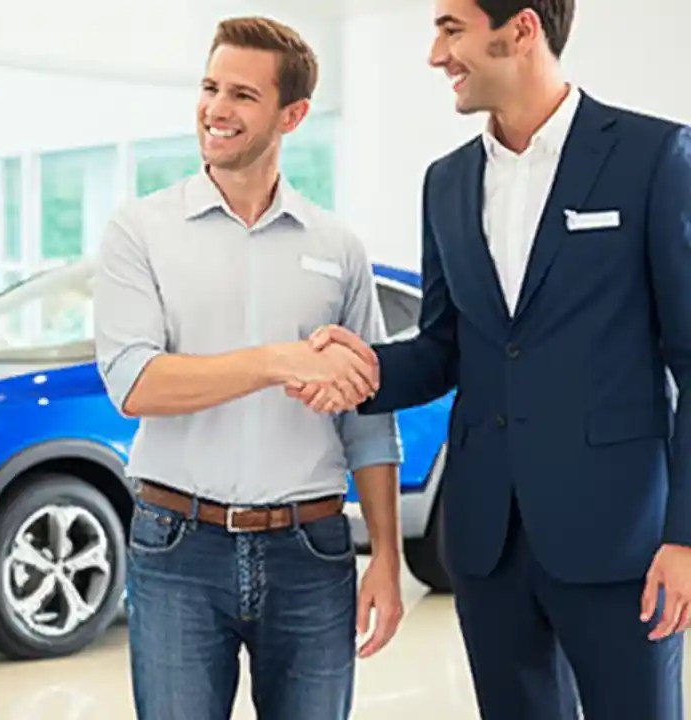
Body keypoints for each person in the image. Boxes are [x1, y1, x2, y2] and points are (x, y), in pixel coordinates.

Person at [291, 0, 691, 717]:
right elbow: (446, 347)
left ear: (522, 29)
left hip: (621, 540)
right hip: (487, 544)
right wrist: (363, 370)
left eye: (452, 30)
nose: (435, 54)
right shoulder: (446, 181)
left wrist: (685, 539)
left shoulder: (653, 157)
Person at [93, 16, 403, 720]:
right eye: (210, 88)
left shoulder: (338, 247)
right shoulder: (141, 231)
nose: (216, 109)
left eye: (242, 95)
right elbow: (136, 383)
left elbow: (368, 418)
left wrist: (387, 555)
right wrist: (277, 361)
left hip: (312, 550)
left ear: (292, 115)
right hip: (178, 545)